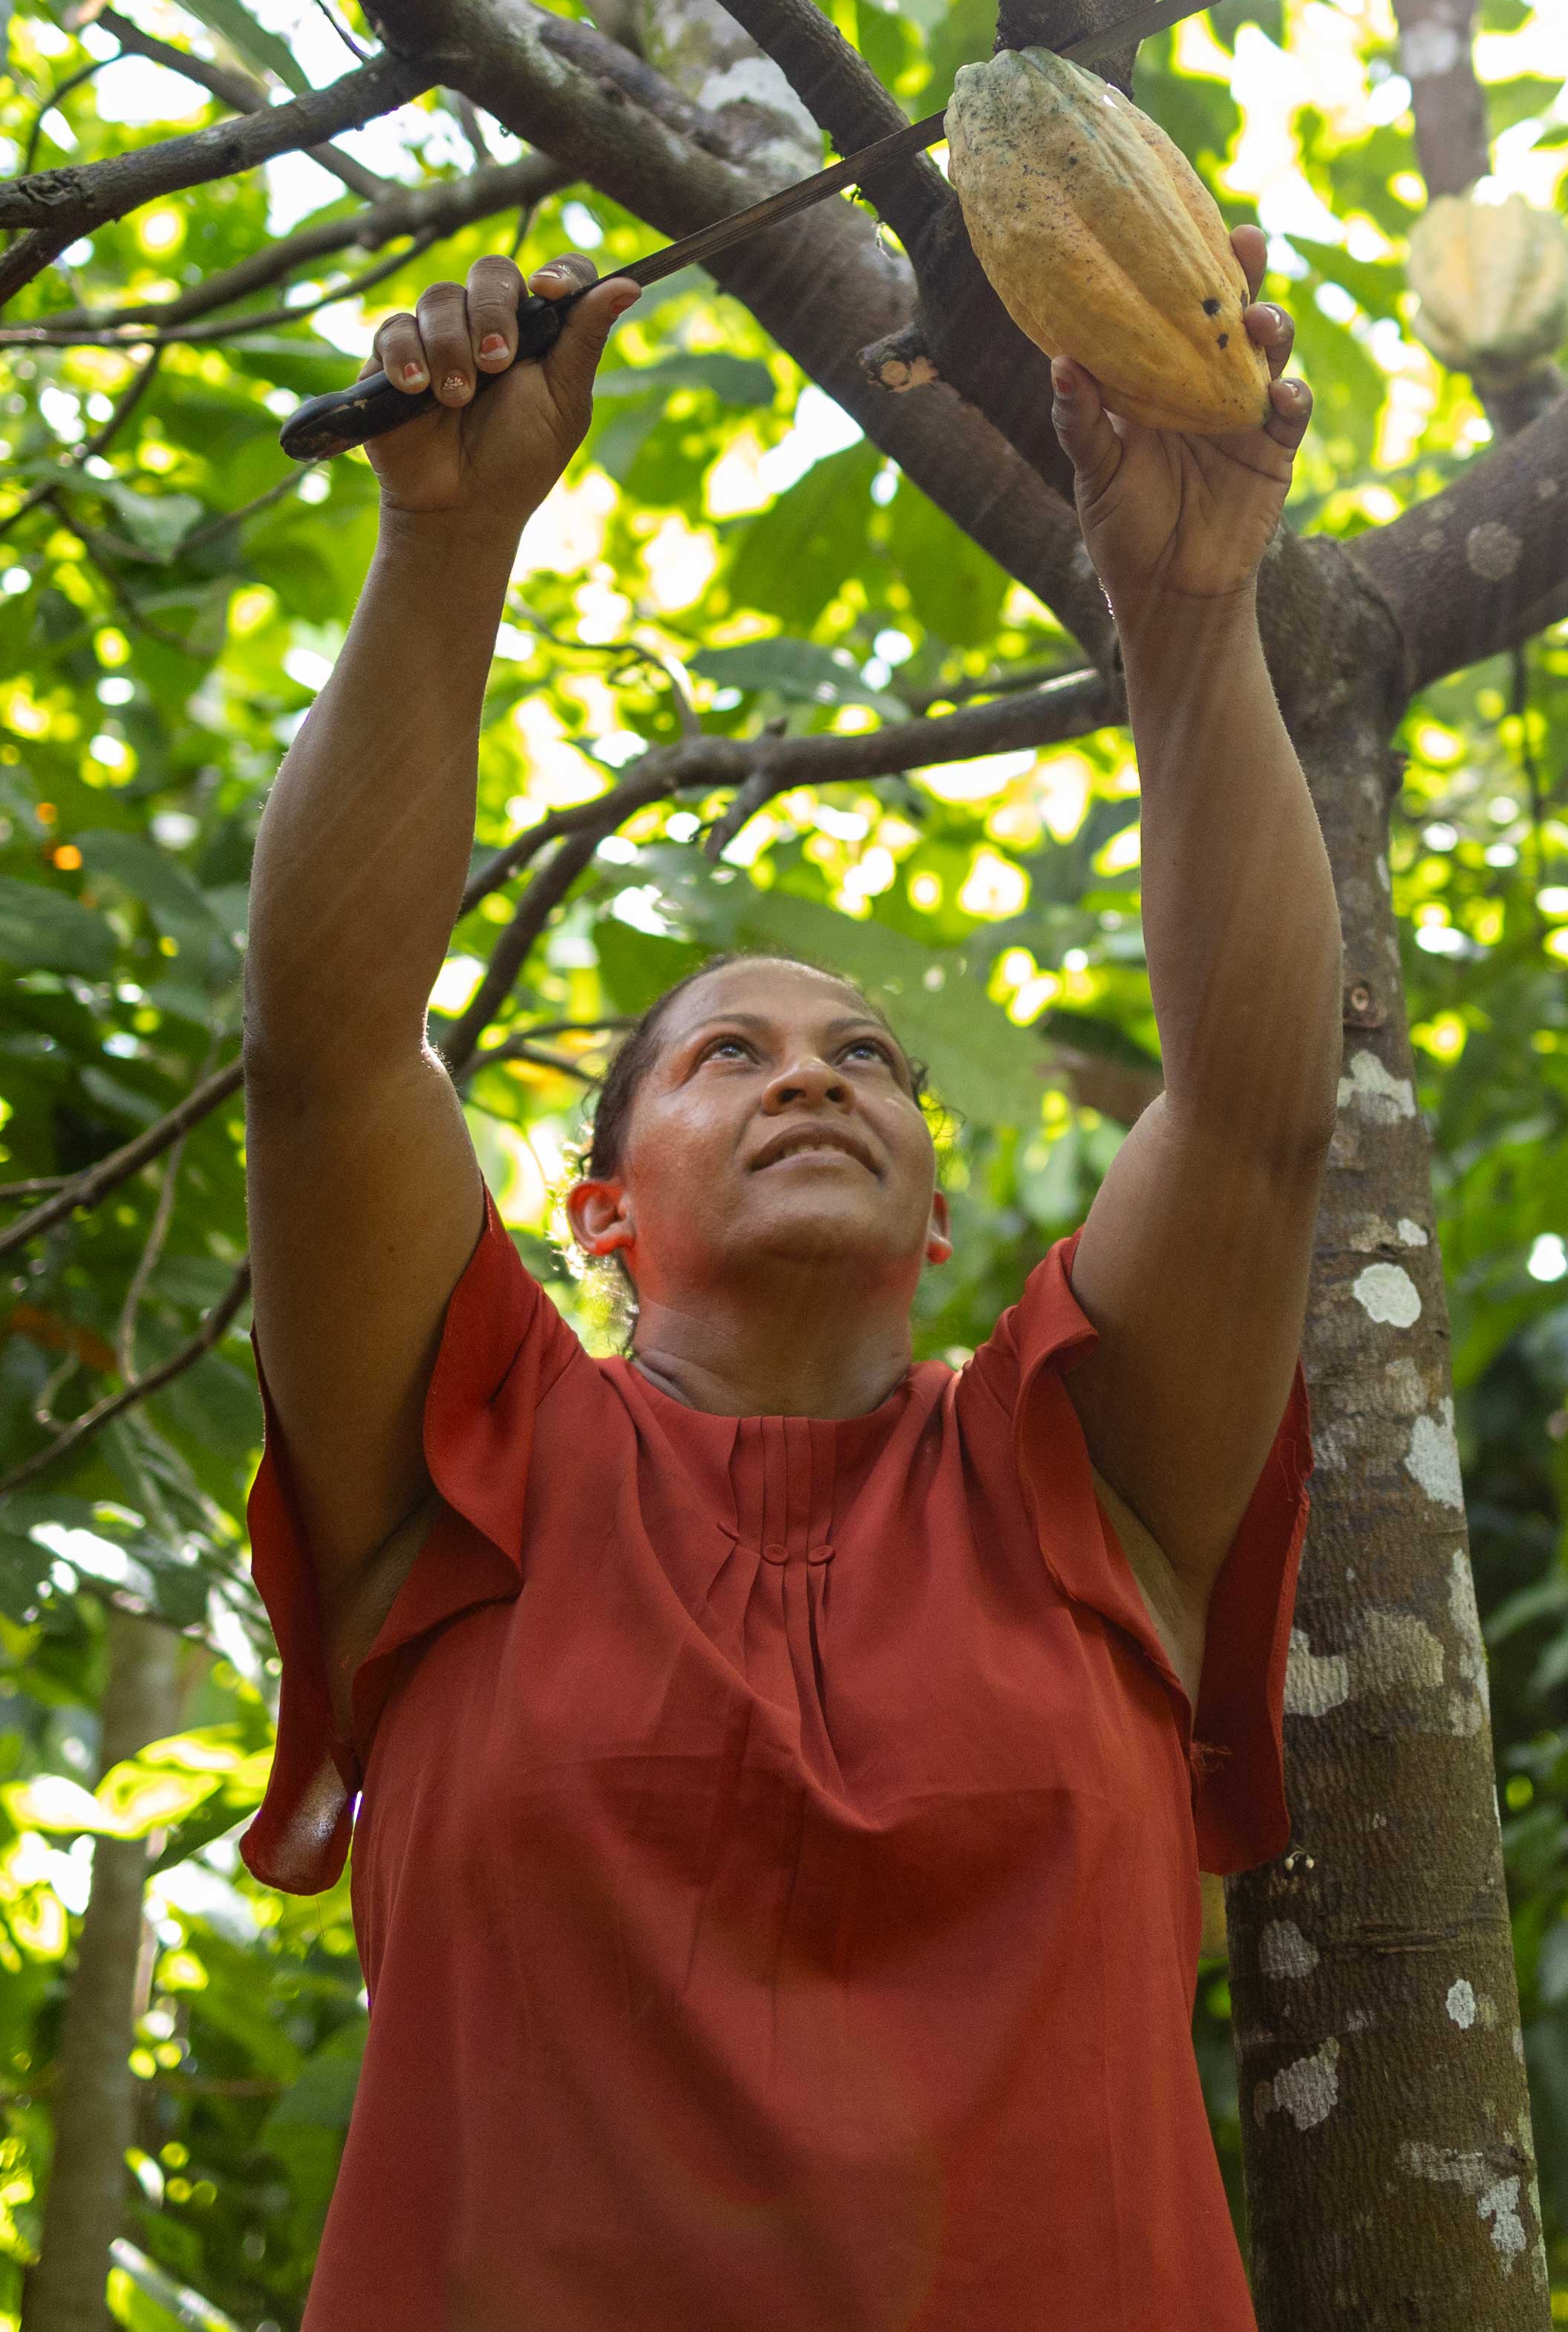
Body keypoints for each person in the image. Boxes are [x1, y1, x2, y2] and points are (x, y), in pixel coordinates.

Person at [232, 238, 1342, 2327]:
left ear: (941, 1225)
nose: (813, 1078)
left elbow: (1264, 1113)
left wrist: (1190, 616)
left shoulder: (1075, 1474)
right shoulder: (467, 1462)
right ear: (598, 1214)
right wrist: (447, 548)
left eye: (865, 1065)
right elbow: (322, 1049)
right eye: (729, 1056)